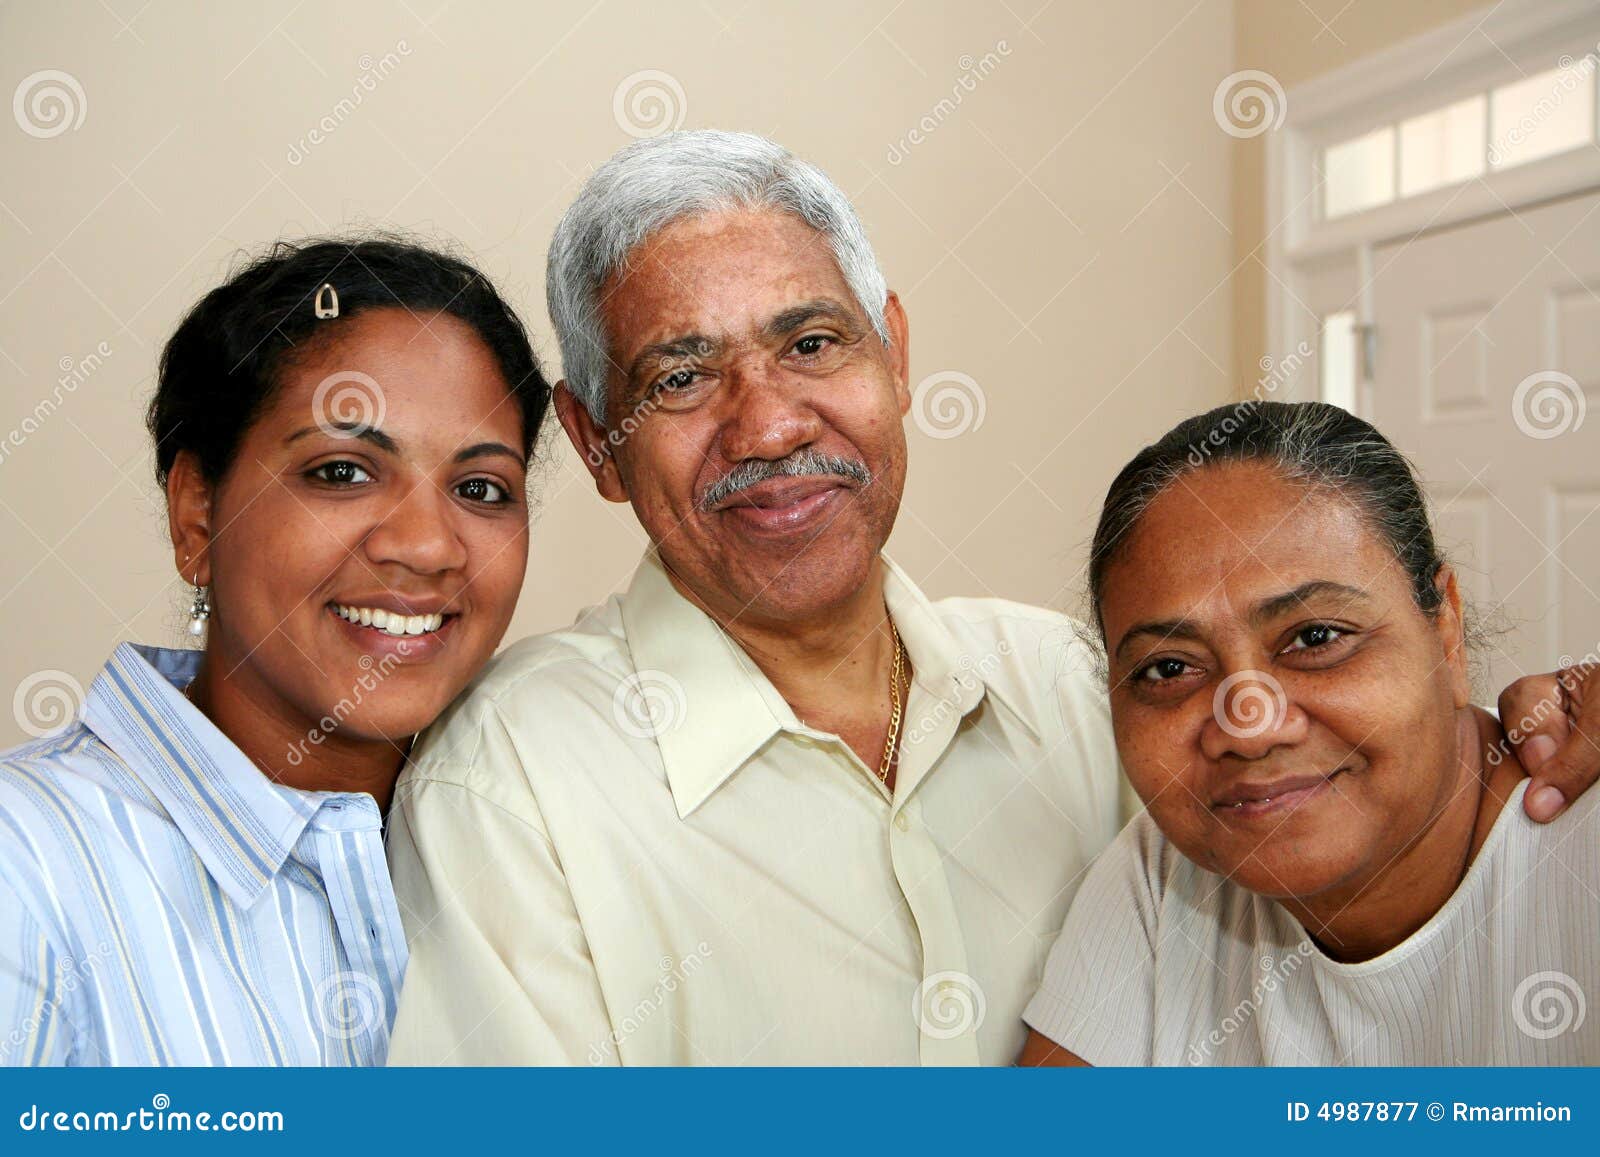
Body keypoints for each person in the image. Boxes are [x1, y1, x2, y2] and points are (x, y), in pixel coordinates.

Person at [385, 131, 1598, 1066]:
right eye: (683, 375)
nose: (768, 420)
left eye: (812, 343)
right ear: (597, 444)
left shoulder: (1081, 683)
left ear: (895, 355)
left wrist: (1518, 729)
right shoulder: (515, 781)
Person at [0, 237, 550, 1065]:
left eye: (480, 489)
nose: (429, 545)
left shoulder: (539, 837)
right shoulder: (29, 868)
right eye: (341, 471)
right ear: (196, 515)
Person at [1019, 401, 1598, 1066]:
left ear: (1446, 630)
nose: (1250, 726)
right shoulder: (1163, 877)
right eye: (1169, 668)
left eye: (1315, 637)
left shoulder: (1578, 864)